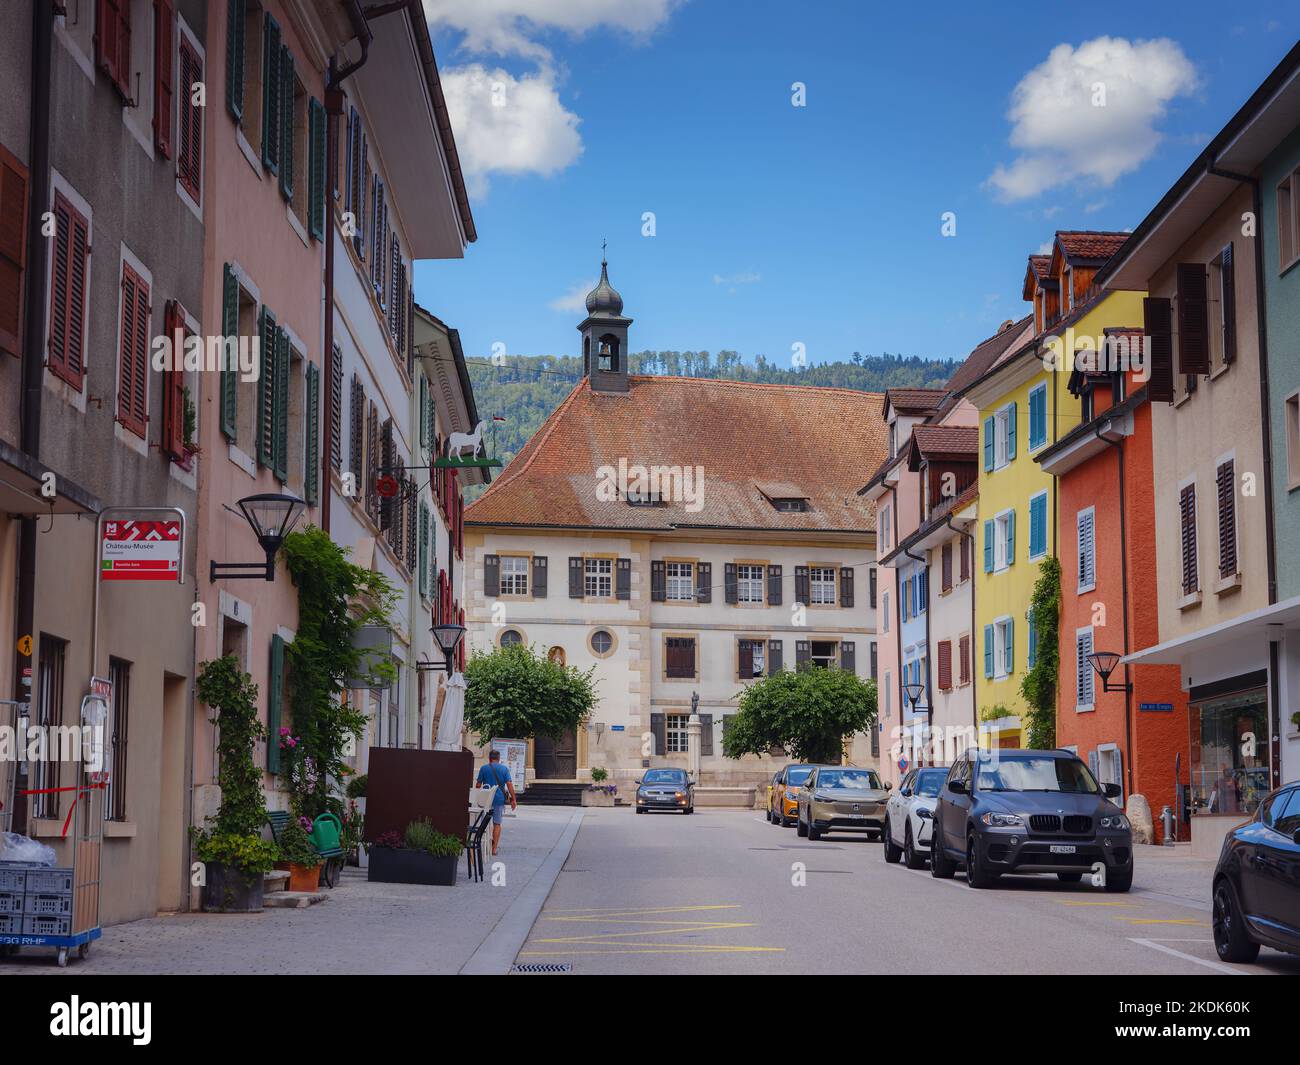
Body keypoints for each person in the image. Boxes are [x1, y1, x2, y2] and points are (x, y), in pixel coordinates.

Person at [475, 750, 517, 856]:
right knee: (497, 823)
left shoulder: (484, 768)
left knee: (484, 823)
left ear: (489, 758)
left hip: (485, 800)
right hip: (499, 799)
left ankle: (481, 844)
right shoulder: (504, 769)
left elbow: (478, 785)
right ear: (498, 759)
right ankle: (494, 849)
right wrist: (513, 799)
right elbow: (509, 784)